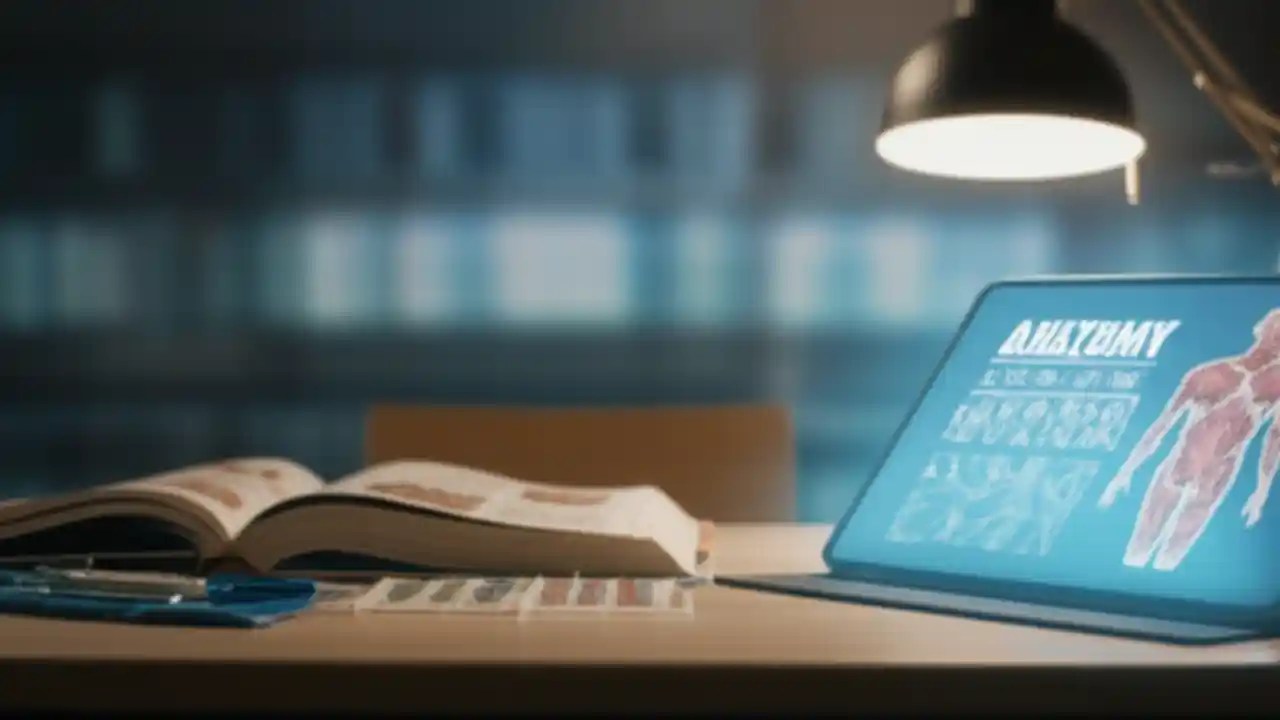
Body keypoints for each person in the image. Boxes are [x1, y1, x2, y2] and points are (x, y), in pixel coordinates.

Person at [1098, 308, 1280, 571]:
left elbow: (1275, 438)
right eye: (1276, 328)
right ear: (1262, 328)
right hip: (1180, 464)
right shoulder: (1209, 373)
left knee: (1175, 551)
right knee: (1141, 543)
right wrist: (1124, 473)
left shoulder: (1275, 383)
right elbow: (1161, 426)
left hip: (1217, 475)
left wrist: (1261, 493)